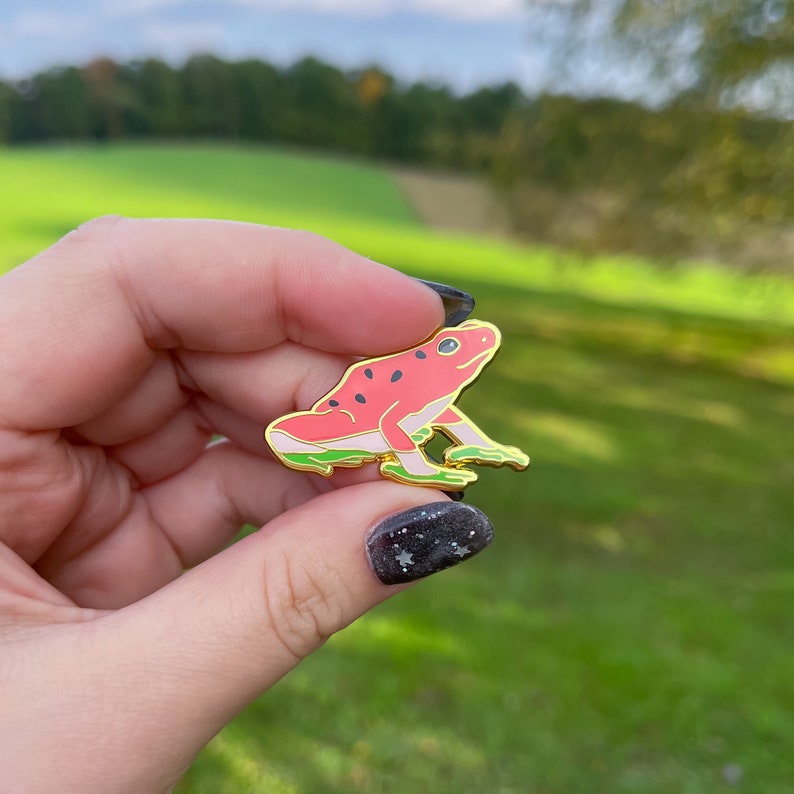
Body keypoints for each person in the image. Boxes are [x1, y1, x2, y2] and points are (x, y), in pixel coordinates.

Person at [0, 217, 493, 793]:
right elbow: (392, 424)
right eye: (451, 343)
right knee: (304, 434)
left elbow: (438, 415)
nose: (468, 347)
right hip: (346, 423)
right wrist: (419, 468)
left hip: (367, 426)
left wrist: (484, 447)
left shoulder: (434, 385)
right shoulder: (414, 378)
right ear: (437, 354)